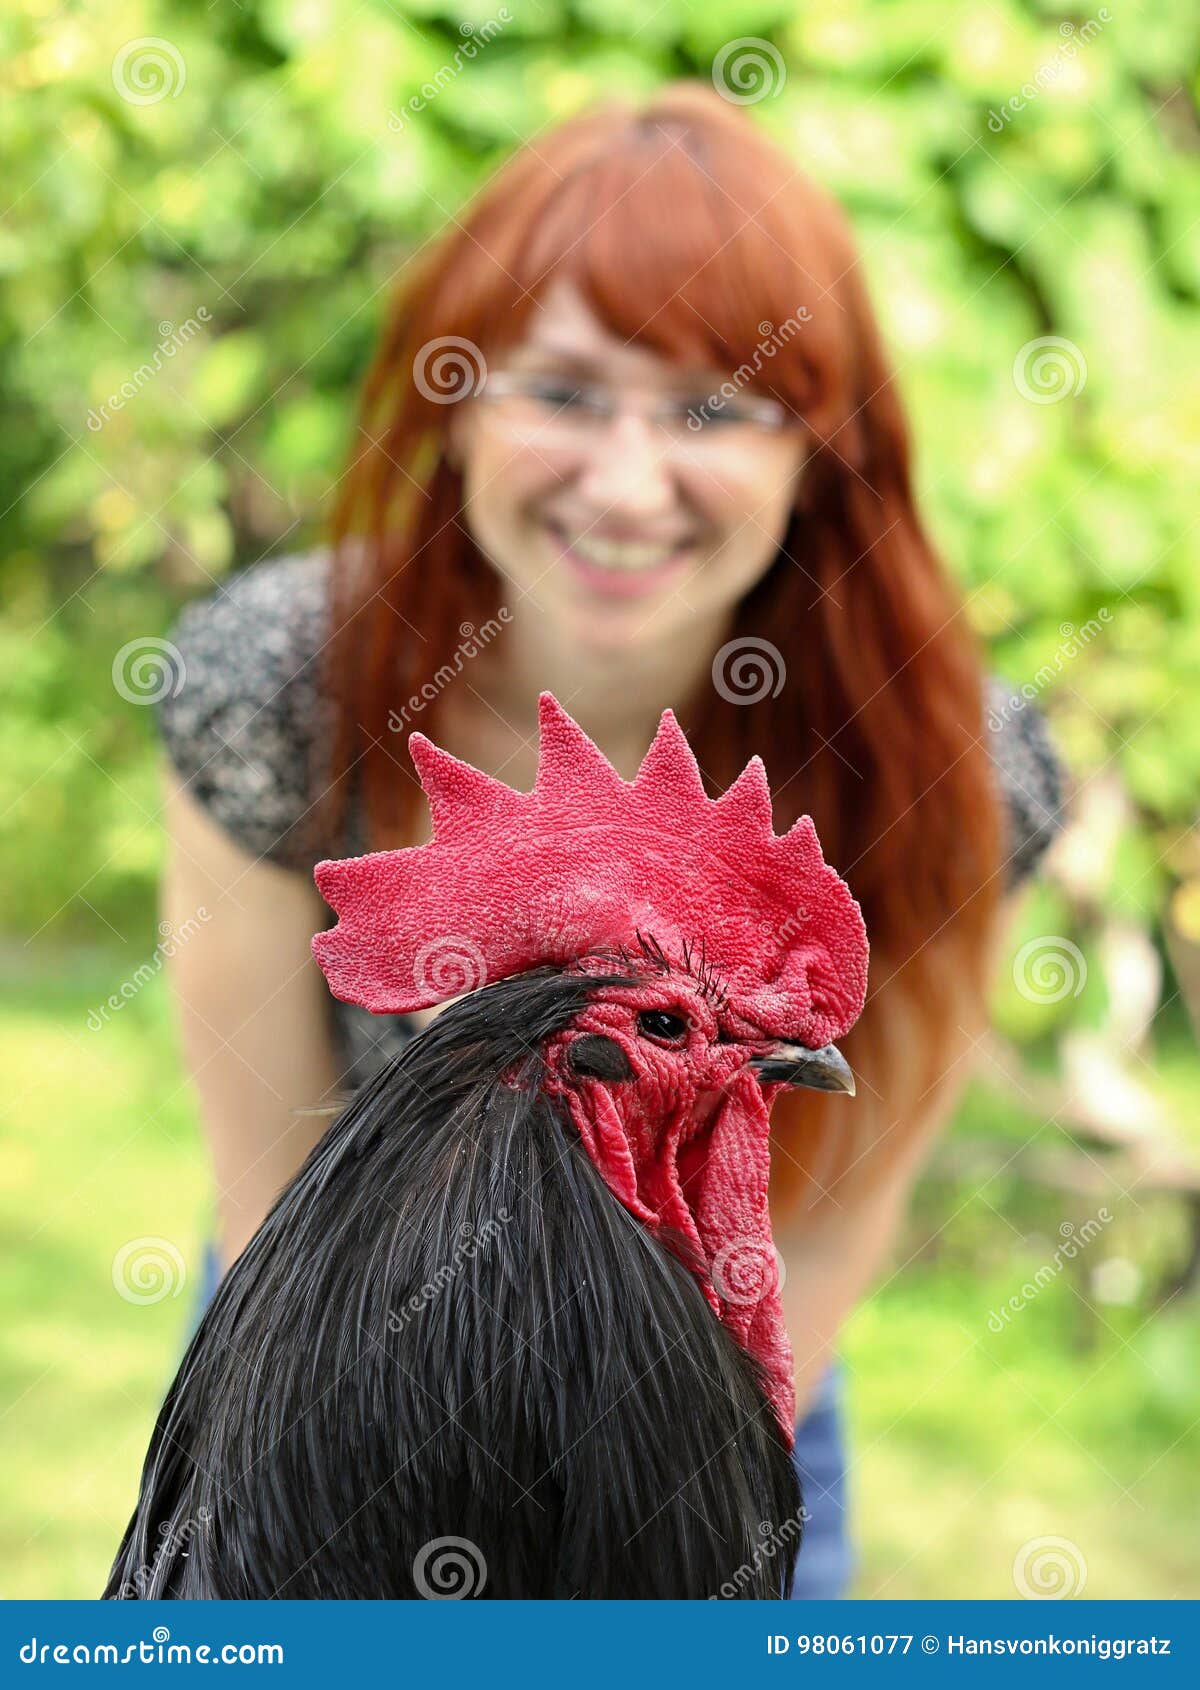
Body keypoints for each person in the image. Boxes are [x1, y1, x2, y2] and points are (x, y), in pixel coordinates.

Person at [154, 82, 1064, 1599]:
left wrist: (664, 1516)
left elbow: (827, 1235)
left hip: (714, 1388)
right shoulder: (277, 683)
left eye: (713, 406)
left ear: (817, 448)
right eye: (563, 392)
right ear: (459, 401)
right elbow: (274, 1185)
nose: (628, 480)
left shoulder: (950, 756)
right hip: (322, 1358)